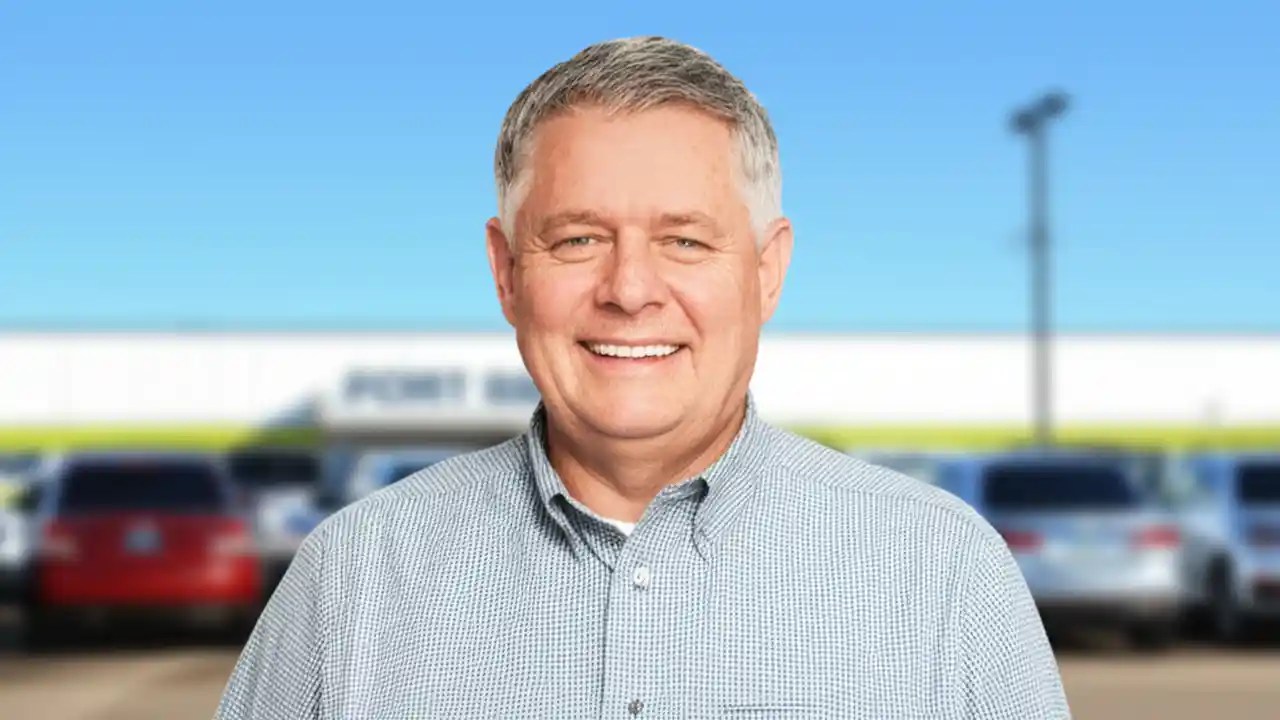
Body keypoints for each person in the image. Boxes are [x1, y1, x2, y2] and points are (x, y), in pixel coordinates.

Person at [215, 36, 1070, 719]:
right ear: (507, 271)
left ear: (768, 272)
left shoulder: (945, 573)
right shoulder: (352, 577)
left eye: (685, 241)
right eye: (579, 239)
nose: (629, 290)